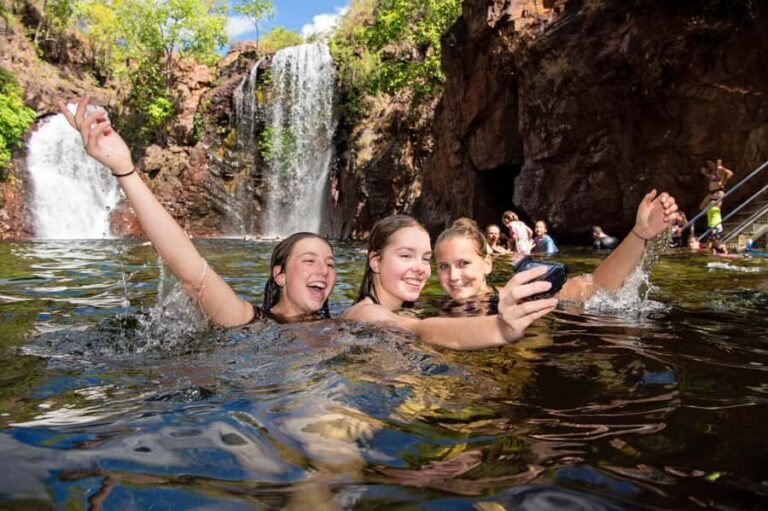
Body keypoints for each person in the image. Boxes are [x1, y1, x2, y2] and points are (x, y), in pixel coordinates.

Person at [59, 96, 335, 327]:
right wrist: (125, 170)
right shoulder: (249, 321)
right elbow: (192, 273)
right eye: (310, 261)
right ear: (280, 275)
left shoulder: (346, 324)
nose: (324, 270)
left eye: (331, 264)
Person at [342, 215, 558, 350]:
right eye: (406, 255)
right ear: (376, 262)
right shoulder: (367, 313)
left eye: (426, 259)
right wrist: (501, 328)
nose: (420, 268)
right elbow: (421, 329)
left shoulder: (408, 307)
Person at [434, 190, 678, 305]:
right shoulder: (436, 313)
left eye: (464, 263)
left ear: (487, 264)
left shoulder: (519, 293)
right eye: (443, 266)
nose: (453, 276)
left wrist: (638, 234)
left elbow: (592, 287)